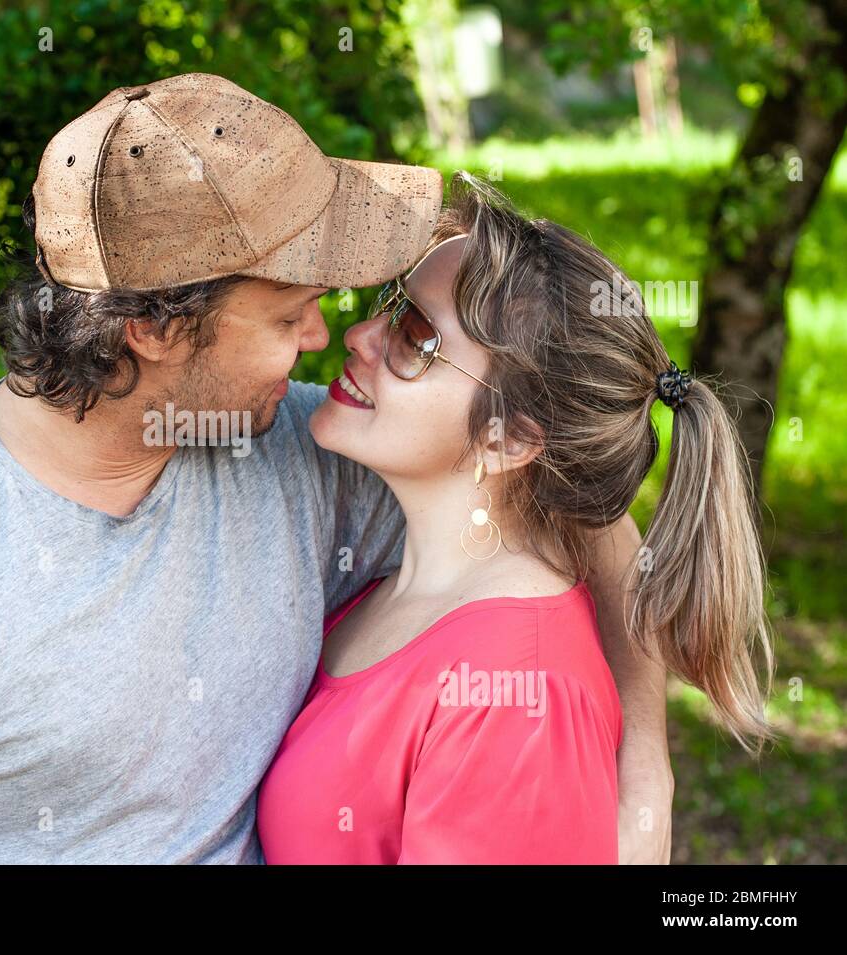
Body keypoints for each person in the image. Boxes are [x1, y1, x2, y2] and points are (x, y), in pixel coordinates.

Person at [0, 75, 673, 864]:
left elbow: (568, 502)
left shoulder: (308, 451)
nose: (326, 333)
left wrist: (647, 777)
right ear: (156, 328)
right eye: (289, 310)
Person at [257, 174, 775, 864]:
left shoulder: (519, 697)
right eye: (392, 305)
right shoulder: (405, 588)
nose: (357, 335)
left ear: (509, 439)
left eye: (416, 337)